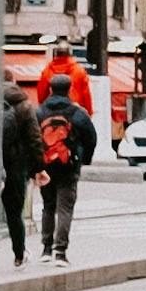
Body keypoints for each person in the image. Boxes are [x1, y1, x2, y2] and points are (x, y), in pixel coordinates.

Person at [35, 67, 96, 266]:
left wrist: (35, 165)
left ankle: (45, 248)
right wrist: (83, 159)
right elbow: (91, 138)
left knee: (47, 206)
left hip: (46, 166)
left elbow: (32, 139)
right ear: (70, 89)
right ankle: (60, 252)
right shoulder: (77, 112)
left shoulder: (40, 111)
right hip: (68, 165)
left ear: (50, 89)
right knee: (65, 209)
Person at [0, 64, 43, 268]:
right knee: (14, 212)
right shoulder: (24, 105)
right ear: (13, 81)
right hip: (16, 165)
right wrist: (38, 168)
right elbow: (35, 139)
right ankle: (19, 254)